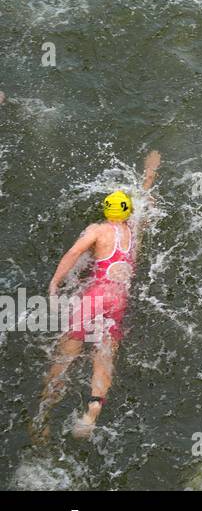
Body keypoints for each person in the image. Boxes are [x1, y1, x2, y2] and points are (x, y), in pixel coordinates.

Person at [37, 150, 161, 439]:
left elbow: (73, 253)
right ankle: (94, 406)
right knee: (104, 354)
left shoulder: (97, 230)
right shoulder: (134, 230)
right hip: (119, 298)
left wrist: (55, 282)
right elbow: (145, 198)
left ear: (107, 212)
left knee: (65, 355)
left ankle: (43, 418)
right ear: (127, 212)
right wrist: (151, 171)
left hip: (95, 294)